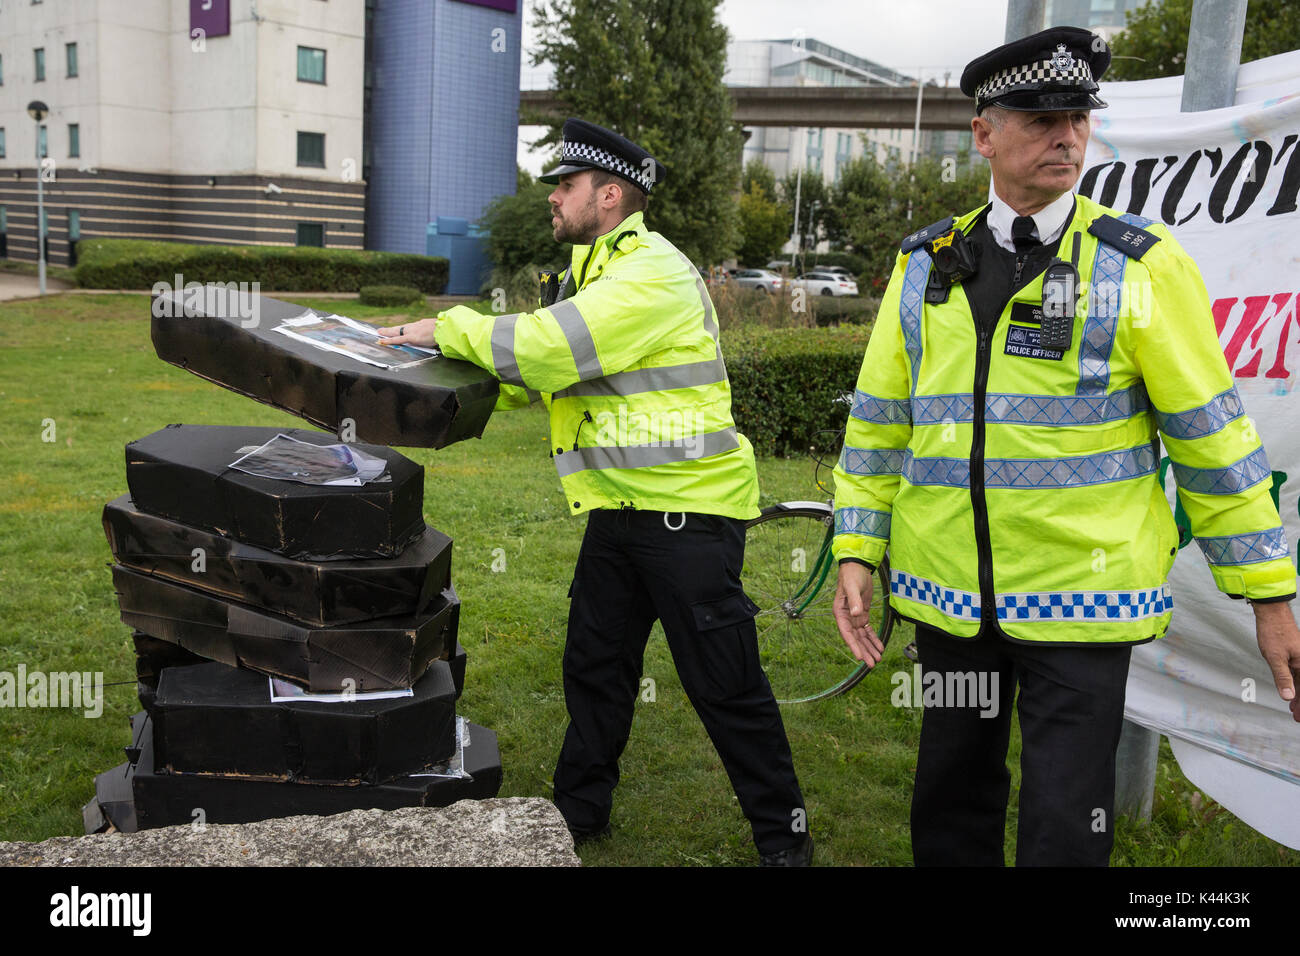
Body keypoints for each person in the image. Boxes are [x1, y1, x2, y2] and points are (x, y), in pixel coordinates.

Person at [831, 26, 1300, 866]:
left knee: (1065, 821)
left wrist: (1267, 595)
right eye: (1043, 116)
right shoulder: (924, 265)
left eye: (1078, 117)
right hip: (948, 600)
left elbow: (1213, 440)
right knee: (951, 800)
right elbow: (877, 426)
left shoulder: (1140, 268)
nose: (1067, 135)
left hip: (1083, 608)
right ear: (984, 133)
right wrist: (857, 547)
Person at [378, 118, 811, 865]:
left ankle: (785, 838)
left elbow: (549, 348)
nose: (553, 195)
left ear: (609, 196)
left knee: (725, 685)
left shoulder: (651, 272)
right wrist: (427, 383)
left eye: (566, 184)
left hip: (690, 514)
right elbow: (547, 374)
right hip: (619, 510)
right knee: (595, 667)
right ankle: (580, 811)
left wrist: (447, 329)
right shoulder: (594, 273)